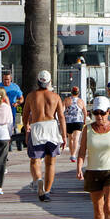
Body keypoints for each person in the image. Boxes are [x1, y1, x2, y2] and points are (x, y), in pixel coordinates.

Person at [22, 70, 67, 202]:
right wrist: (64, 136)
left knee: (35, 161)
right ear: (49, 82)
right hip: (52, 128)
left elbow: (25, 116)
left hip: (37, 127)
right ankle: (46, 192)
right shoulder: (56, 97)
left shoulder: (31, 96)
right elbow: (62, 117)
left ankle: (38, 180)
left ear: (38, 81)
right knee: (50, 163)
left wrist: (27, 129)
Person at [63, 86, 87, 159]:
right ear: (78, 93)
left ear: (71, 92)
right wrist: (84, 121)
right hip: (78, 121)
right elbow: (85, 112)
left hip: (69, 121)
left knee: (70, 138)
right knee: (76, 138)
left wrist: (63, 119)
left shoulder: (66, 100)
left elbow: (61, 110)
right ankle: (73, 155)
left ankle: (71, 153)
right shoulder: (81, 101)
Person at [1, 69, 23, 143]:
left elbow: (21, 98)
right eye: (4, 79)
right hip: (2, 112)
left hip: (12, 111)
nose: (6, 81)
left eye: (7, 79)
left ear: (11, 79)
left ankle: (14, 142)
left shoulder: (15, 87)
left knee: (13, 127)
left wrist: (17, 103)